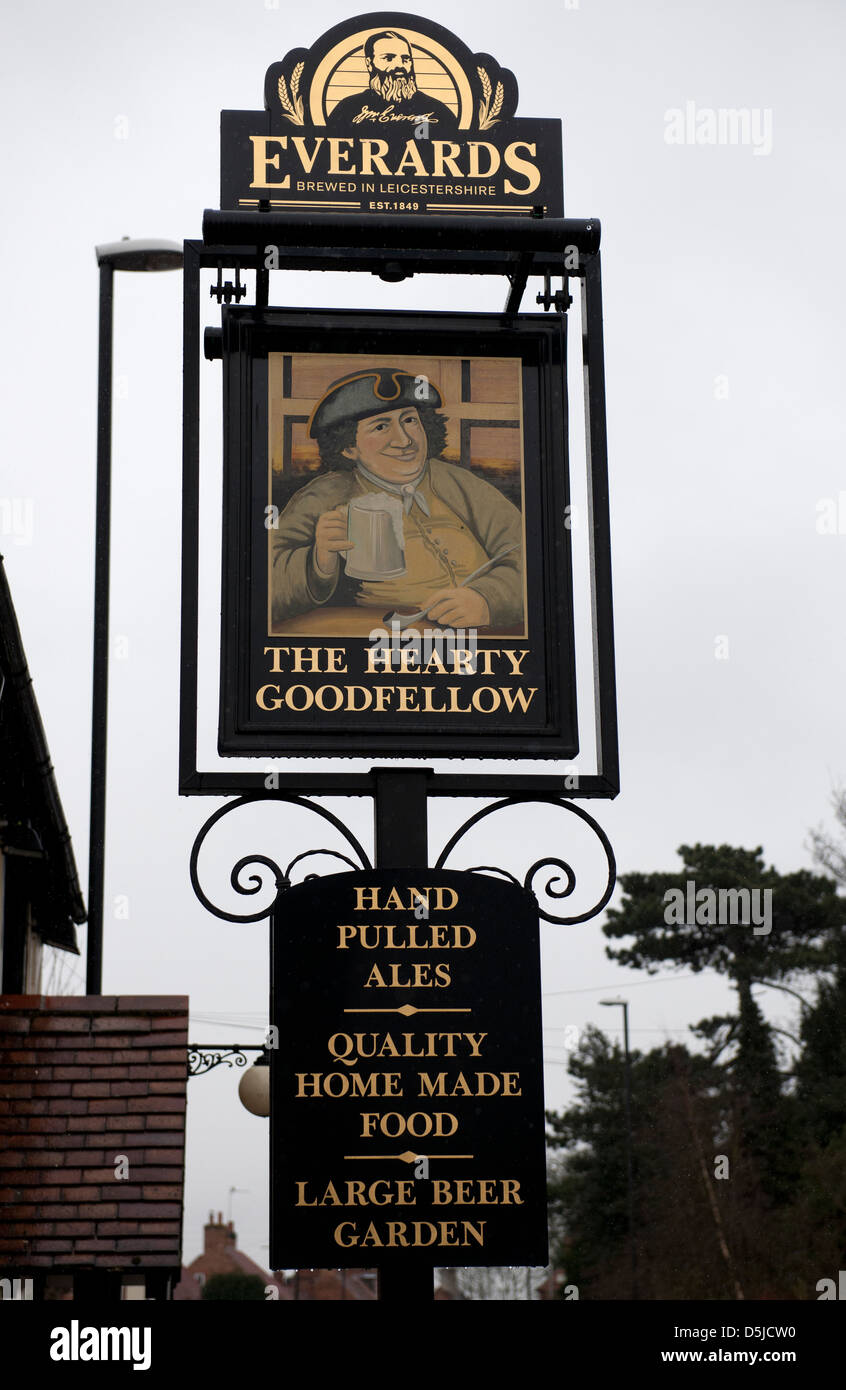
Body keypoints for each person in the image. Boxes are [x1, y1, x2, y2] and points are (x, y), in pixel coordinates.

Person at [270, 369, 523, 630]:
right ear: (348, 447)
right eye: (380, 426)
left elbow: (526, 552)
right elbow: (266, 585)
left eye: (410, 420)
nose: (404, 440)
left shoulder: (461, 483)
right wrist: (318, 562)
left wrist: (489, 600)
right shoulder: (324, 495)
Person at [326, 30, 457, 131]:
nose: (399, 65)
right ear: (369, 63)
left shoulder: (436, 110)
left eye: (405, 59)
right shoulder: (348, 109)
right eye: (388, 58)